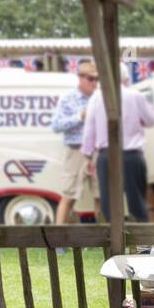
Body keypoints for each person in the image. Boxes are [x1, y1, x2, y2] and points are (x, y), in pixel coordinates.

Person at [81, 62, 154, 223]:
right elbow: (151, 121)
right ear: (126, 78)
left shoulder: (96, 97)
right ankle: (142, 243)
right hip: (132, 155)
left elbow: (89, 130)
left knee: (108, 203)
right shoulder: (136, 96)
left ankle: (112, 242)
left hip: (106, 155)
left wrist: (88, 156)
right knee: (137, 201)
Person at [51, 60, 99, 226]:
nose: (94, 82)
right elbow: (56, 126)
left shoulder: (101, 97)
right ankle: (58, 241)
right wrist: (80, 116)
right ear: (80, 78)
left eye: (97, 79)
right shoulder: (68, 98)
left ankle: (106, 239)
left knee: (101, 196)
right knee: (69, 195)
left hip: (98, 151)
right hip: (76, 150)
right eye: (90, 79)